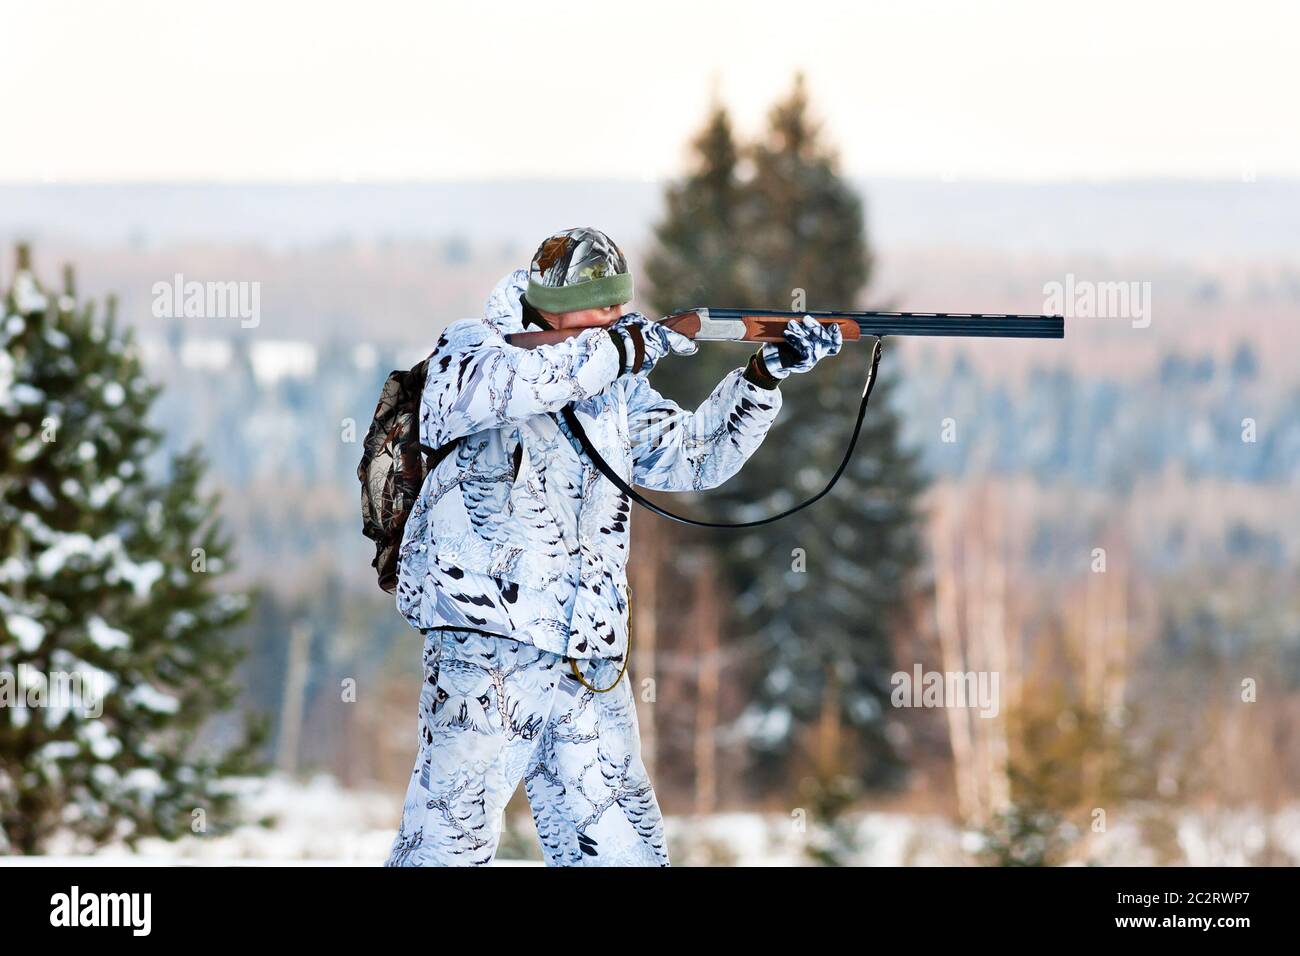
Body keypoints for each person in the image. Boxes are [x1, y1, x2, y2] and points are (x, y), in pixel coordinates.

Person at [386, 226, 842, 866]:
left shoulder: (614, 381)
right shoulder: (472, 350)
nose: (618, 317)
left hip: (587, 659)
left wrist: (763, 377)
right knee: (445, 849)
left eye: (623, 306)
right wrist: (622, 349)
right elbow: (506, 387)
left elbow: (692, 458)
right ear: (551, 304)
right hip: (487, 650)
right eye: (603, 307)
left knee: (624, 853)